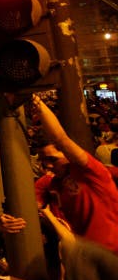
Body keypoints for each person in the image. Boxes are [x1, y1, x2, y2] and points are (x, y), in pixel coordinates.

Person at [33, 94, 118, 254]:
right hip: (87, 258)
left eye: (53, 159)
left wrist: (36, 101)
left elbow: (61, 139)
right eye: (44, 160)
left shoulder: (91, 170)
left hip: (112, 255)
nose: (48, 165)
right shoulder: (54, 184)